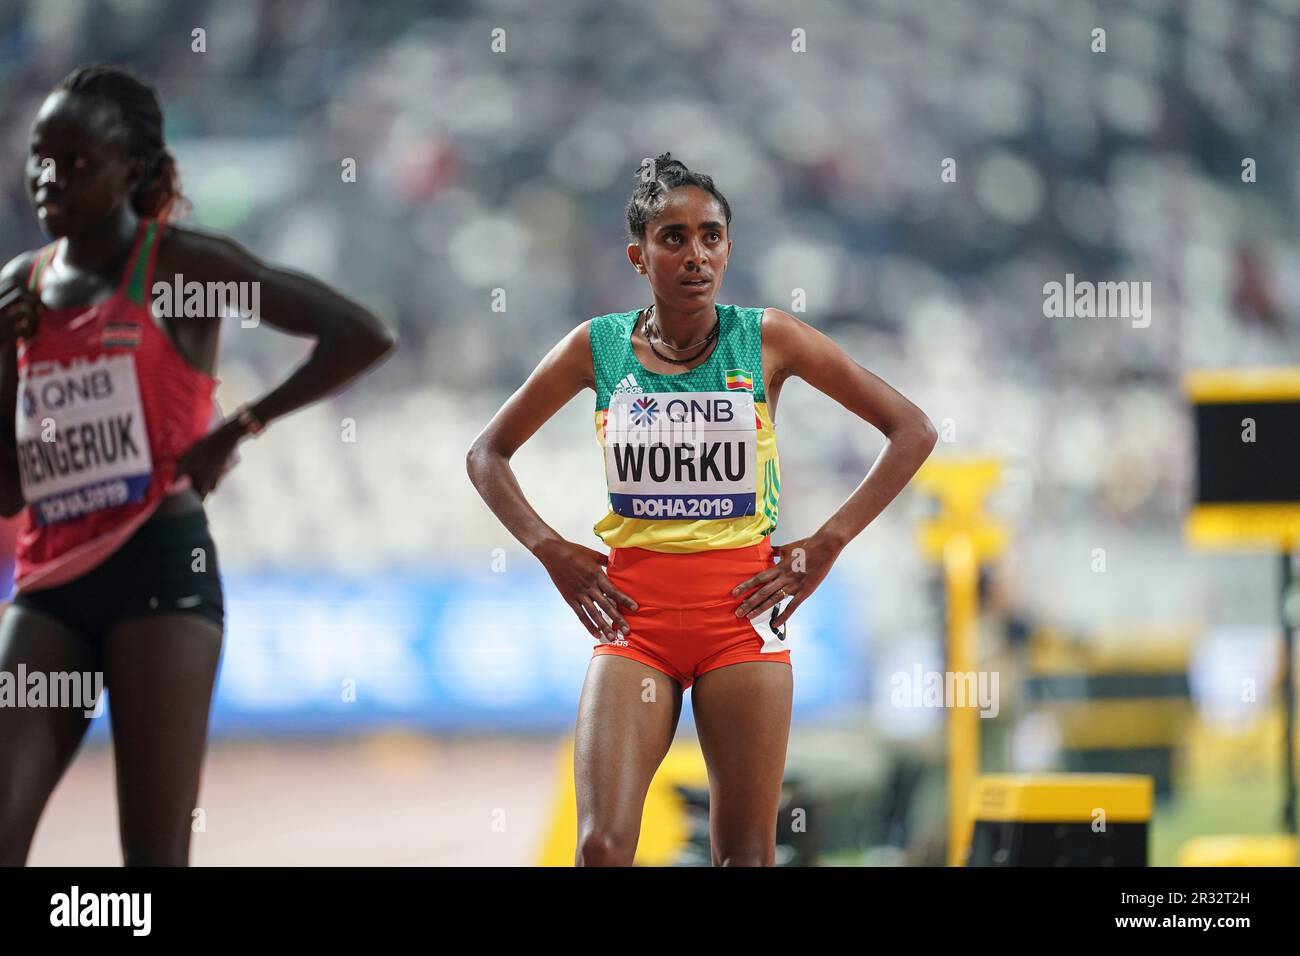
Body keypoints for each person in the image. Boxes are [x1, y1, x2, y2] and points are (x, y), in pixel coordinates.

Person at [467, 152, 936, 866]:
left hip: (740, 619)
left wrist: (829, 541)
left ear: (728, 247)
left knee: (743, 856)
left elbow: (912, 429)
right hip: (634, 621)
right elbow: (487, 453)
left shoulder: (768, 337)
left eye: (710, 236)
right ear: (638, 254)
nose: (696, 255)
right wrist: (549, 549)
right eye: (673, 238)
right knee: (600, 847)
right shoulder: (596, 349)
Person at [0, 65, 396, 866]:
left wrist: (239, 426)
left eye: (79, 162)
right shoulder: (20, 289)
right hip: (50, 584)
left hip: (160, 573)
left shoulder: (181, 271)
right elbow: (11, 488)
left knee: (151, 862)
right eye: (43, 157)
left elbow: (358, 335)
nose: (52, 178)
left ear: (135, 172)